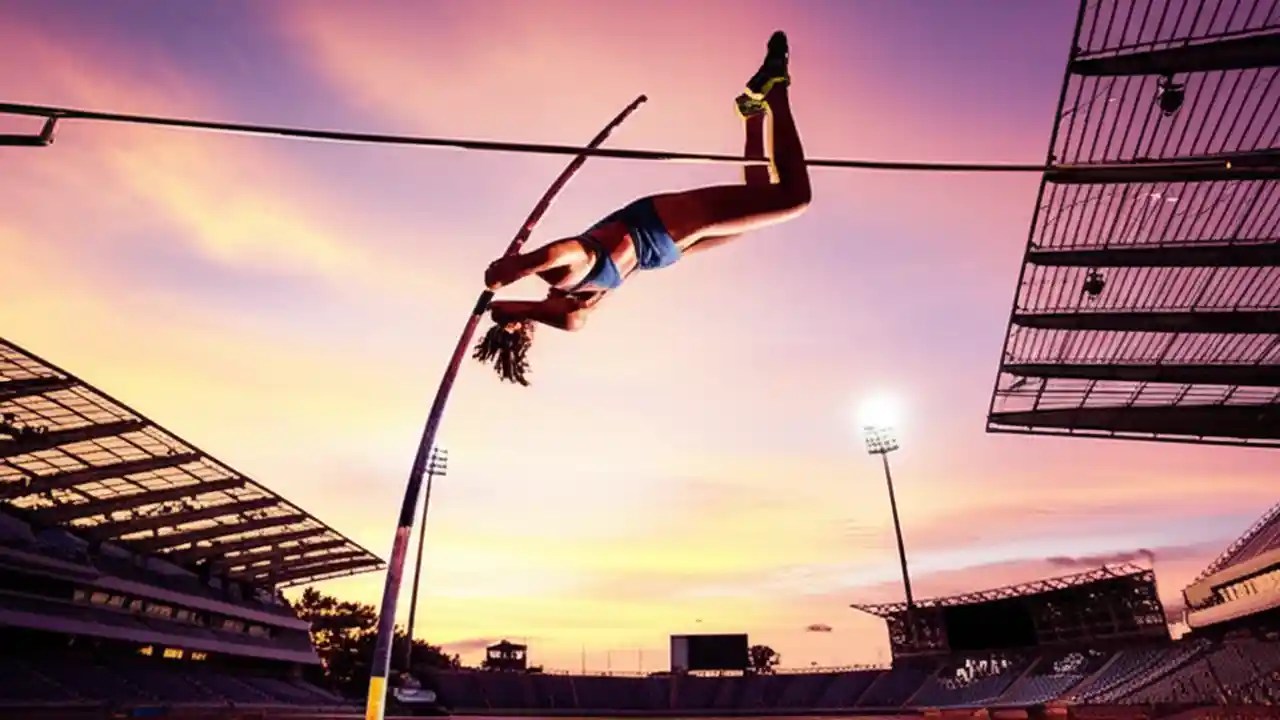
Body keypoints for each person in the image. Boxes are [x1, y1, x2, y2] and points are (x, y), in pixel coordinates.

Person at [475, 31, 811, 384]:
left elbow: (559, 255)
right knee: (752, 215)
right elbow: (569, 318)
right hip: (666, 249)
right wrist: (512, 304)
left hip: (656, 226)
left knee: (793, 198)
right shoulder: (579, 299)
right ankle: (753, 114)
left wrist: (516, 270)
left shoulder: (566, 275)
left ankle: (774, 89)